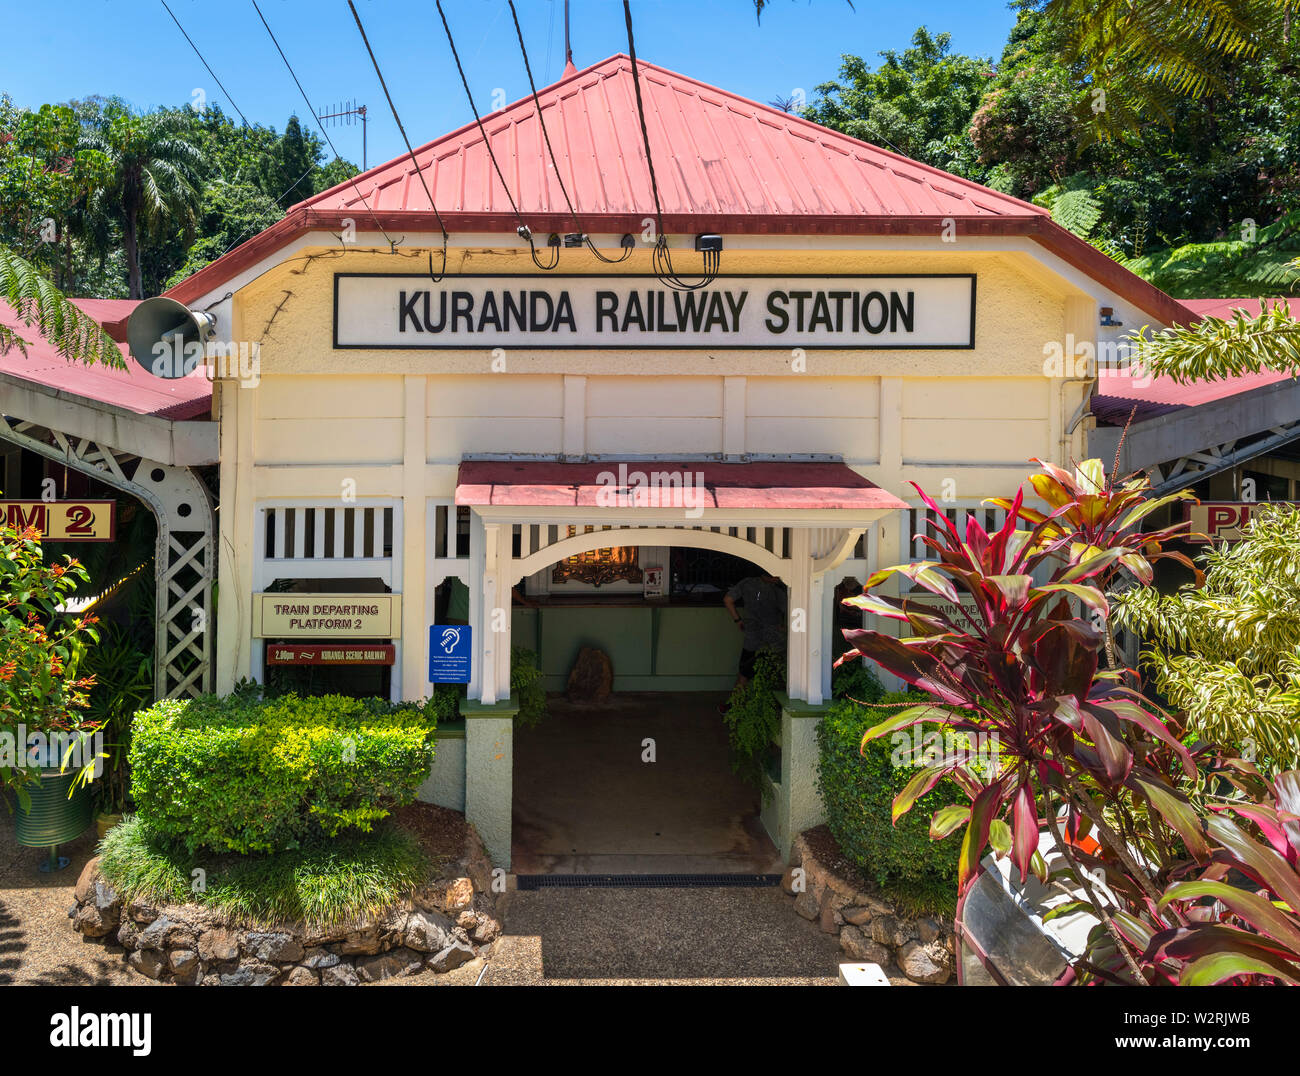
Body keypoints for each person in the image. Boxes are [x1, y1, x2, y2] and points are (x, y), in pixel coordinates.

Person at [718, 572, 787, 713]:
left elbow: (727, 600)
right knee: (779, 674)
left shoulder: (747, 583)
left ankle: (734, 706)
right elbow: (793, 610)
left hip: (753, 638)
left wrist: (738, 621)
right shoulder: (779, 589)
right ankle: (779, 709)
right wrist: (784, 626)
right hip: (774, 640)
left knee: (744, 674)